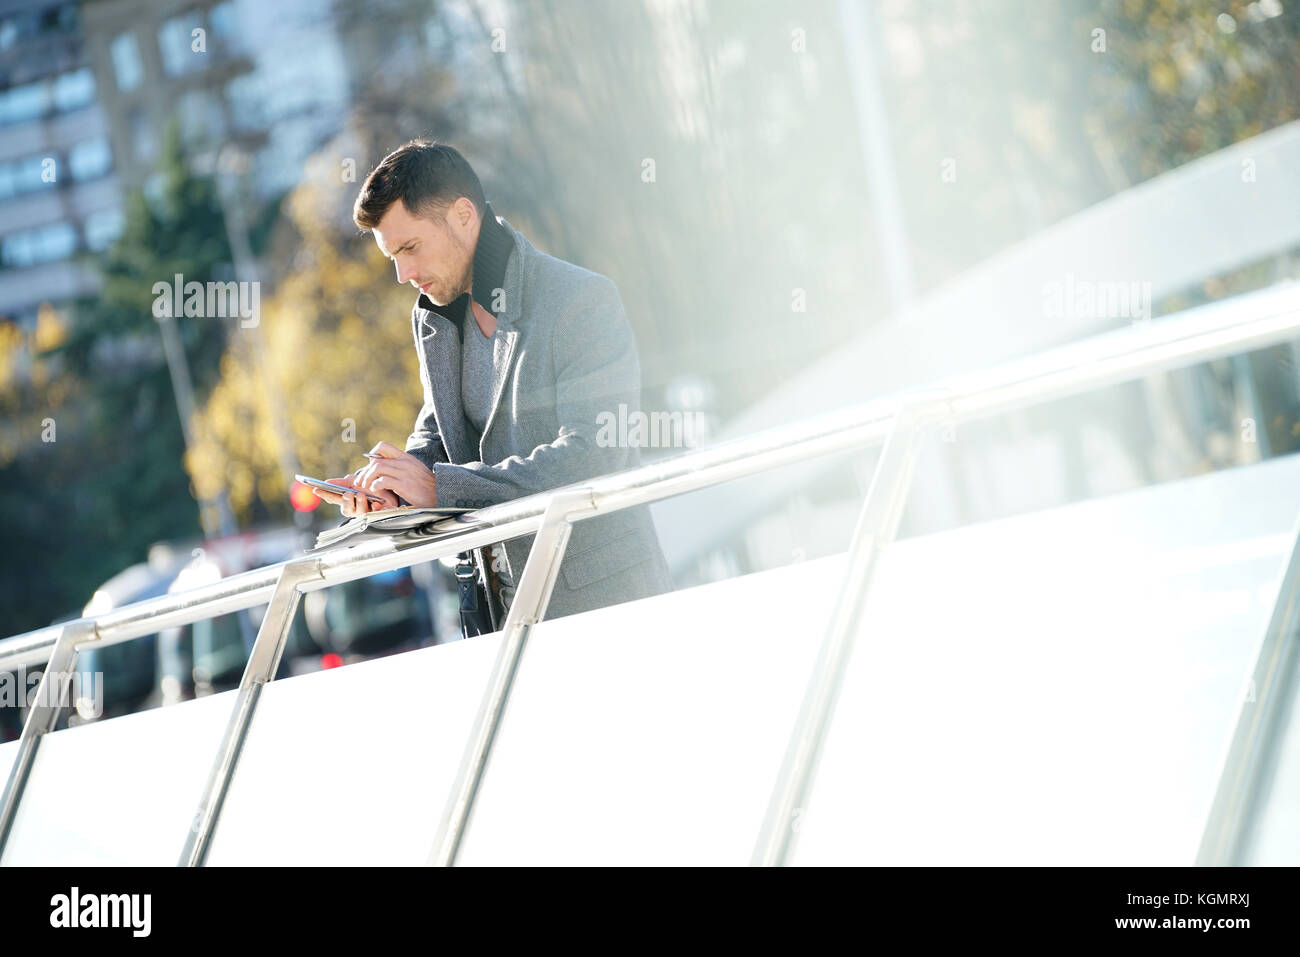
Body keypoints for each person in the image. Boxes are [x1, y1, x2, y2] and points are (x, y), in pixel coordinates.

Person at [312, 140, 674, 626]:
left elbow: (594, 453)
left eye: (410, 248)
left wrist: (441, 488)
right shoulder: (435, 319)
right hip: (496, 614)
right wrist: (393, 485)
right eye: (391, 257)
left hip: (606, 612)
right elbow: (440, 433)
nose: (403, 274)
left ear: (464, 215)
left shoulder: (581, 300)